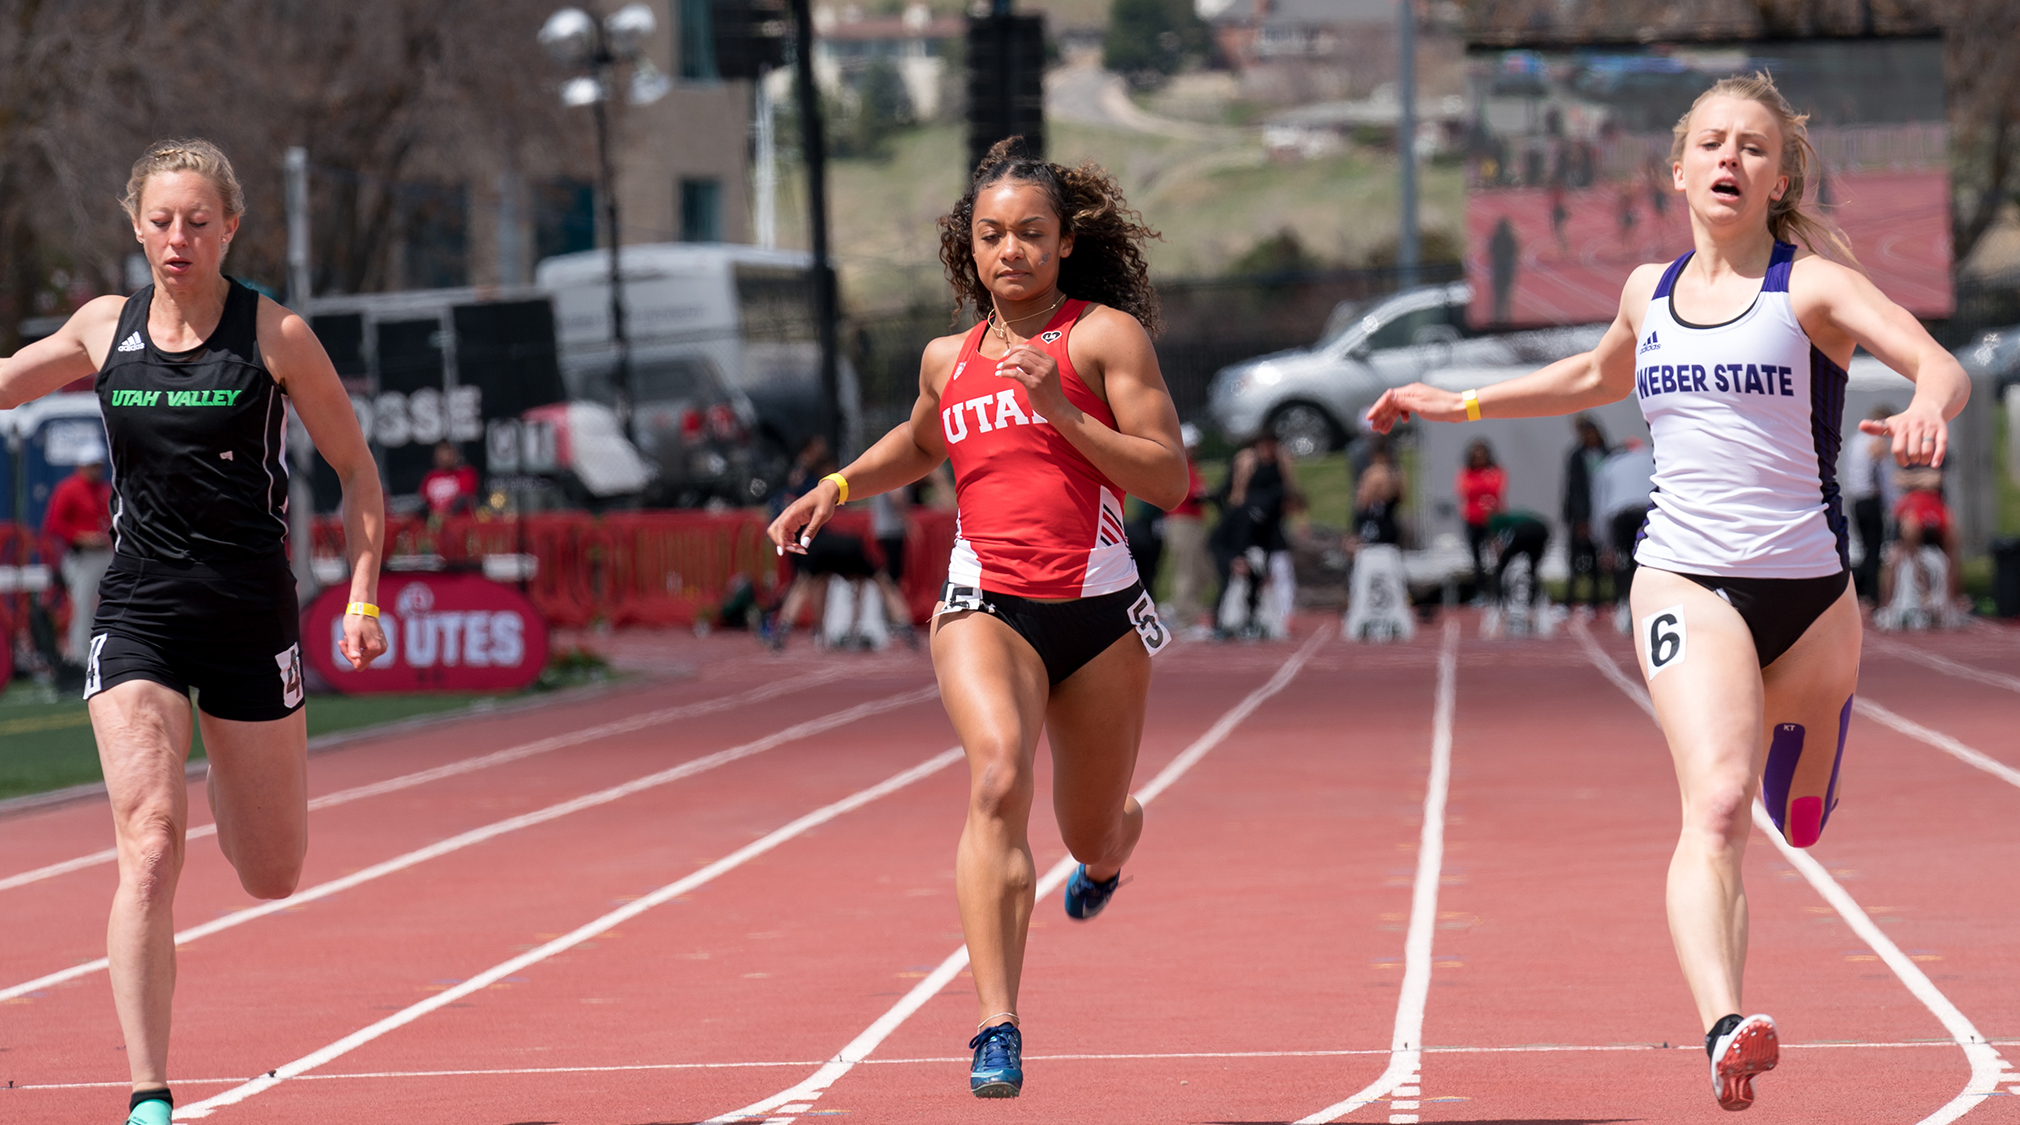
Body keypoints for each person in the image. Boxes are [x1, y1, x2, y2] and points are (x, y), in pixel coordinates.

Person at [1366, 73, 1968, 1112]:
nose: (1730, 160)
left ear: (1780, 177)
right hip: (1684, 578)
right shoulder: (1649, 290)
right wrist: (1456, 400)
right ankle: (1727, 1024)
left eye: (1753, 148)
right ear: (1679, 168)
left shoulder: (1811, 286)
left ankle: (1810, 739)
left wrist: (1925, 408)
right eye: (1713, 144)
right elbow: (1590, 377)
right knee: (1718, 805)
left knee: (1798, 805)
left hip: (1813, 594)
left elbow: (1938, 364)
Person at [768, 137, 1186, 1099]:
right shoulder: (946, 358)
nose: (1013, 252)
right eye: (994, 235)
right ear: (971, 247)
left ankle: (1117, 838)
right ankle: (996, 1025)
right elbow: (917, 444)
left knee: (1089, 833)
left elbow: (1168, 477)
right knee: (997, 773)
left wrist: (1065, 415)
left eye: (1033, 234)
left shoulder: (1103, 339)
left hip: (1100, 619)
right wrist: (833, 484)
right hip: (984, 603)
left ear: (1066, 242)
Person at [0, 138, 387, 1125]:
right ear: (137, 226)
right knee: (152, 844)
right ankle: (148, 1096)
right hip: (138, 613)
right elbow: (7, 378)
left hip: (250, 614)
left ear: (230, 229)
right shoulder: (103, 330)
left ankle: (238, 788)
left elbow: (358, 469)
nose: (179, 237)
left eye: (198, 220)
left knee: (272, 873)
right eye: (162, 221)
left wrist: (363, 594)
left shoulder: (277, 336)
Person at [43, 444, 115, 666]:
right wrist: (80, 536)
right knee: (82, 606)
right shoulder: (69, 489)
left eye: (98, 465)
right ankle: (81, 659)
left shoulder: (104, 489)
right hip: (82, 557)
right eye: (91, 465)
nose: (95, 470)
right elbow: (54, 524)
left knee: (110, 604)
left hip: (106, 554)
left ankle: (109, 654)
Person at [1592, 436, 1657, 629]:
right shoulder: (1651, 458)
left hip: (1620, 514)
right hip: (1646, 510)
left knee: (1625, 563)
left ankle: (1627, 606)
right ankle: (1649, 607)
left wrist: (1604, 545)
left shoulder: (1610, 464)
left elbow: (1600, 504)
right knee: (1649, 561)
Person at [1161, 423, 1215, 636]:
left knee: (1203, 571)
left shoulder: (1190, 465)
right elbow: (1188, 493)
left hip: (1192, 522)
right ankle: (1185, 619)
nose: (1195, 449)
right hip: (1181, 521)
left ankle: (1178, 608)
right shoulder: (1176, 464)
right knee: (1187, 571)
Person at [1845, 404, 1896, 601]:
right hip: (1871, 501)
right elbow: (1883, 477)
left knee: (1866, 547)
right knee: (1875, 548)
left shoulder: (1855, 441)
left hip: (1857, 500)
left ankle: (1863, 588)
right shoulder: (1876, 444)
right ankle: (1872, 592)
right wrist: (1892, 502)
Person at [1562, 414, 1610, 608]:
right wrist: (1579, 517)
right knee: (1574, 559)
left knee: (1598, 559)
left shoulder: (1608, 454)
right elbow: (1573, 488)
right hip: (1581, 514)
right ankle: (1569, 599)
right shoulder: (1576, 455)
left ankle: (1596, 600)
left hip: (1602, 512)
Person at [1455, 438, 1506, 598]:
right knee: (1477, 560)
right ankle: (1480, 591)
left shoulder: (1495, 470)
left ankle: (1499, 591)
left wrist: (1480, 488)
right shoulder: (1466, 472)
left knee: (1498, 557)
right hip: (1472, 520)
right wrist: (1483, 486)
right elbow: (1465, 490)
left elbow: (1496, 488)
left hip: (1492, 520)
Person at [418, 440, 479, 518]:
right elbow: (425, 502)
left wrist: (447, 513)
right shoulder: (430, 477)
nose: (444, 457)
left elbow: (463, 498)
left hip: (460, 521)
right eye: (441, 453)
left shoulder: (466, 473)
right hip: (436, 523)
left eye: (448, 453)